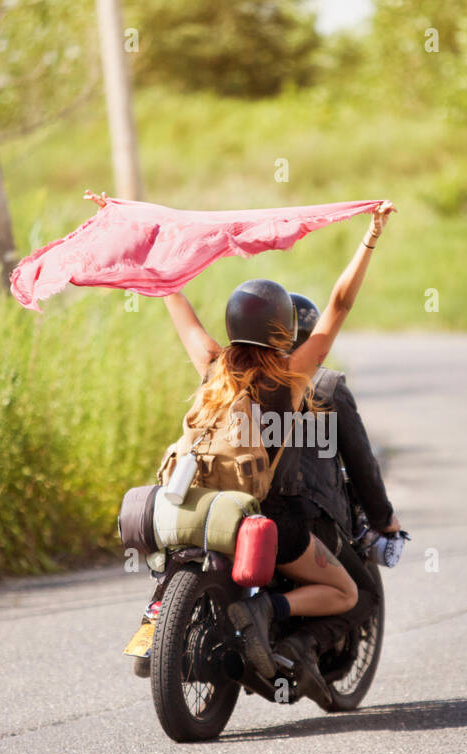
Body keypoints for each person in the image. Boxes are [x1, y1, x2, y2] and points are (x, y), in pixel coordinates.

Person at [153, 198, 396, 700]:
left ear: (232, 323)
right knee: (347, 591)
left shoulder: (211, 366)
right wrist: (371, 236)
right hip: (271, 522)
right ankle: (269, 611)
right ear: (285, 329)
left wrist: (154, 243)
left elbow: (173, 297)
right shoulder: (289, 379)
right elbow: (339, 307)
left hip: (209, 507)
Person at [265, 293, 401, 700]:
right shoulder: (326, 386)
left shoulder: (241, 380)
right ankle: (299, 646)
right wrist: (384, 521)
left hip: (242, 509)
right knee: (364, 596)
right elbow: (361, 464)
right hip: (309, 517)